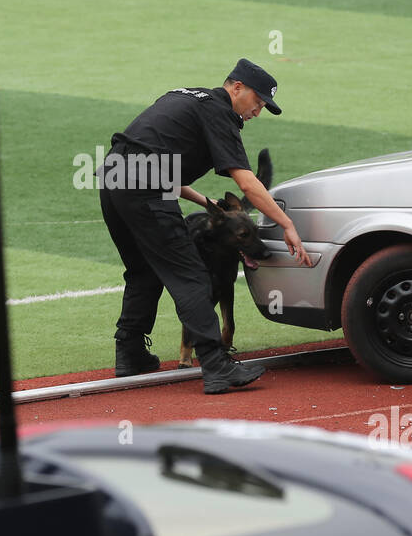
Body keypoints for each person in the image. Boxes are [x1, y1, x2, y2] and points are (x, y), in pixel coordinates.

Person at [99, 59, 309, 394]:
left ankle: (130, 352)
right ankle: (216, 365)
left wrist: (203, 202)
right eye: (257, 102)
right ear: (236, 87)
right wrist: (287, 224)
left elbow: (150, 154)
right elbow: (247, 183)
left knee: (143, 270)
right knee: (192, 274)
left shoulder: (188, 97)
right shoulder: (220, 114)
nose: (257, 111)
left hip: (113, 179)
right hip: (141, 186)